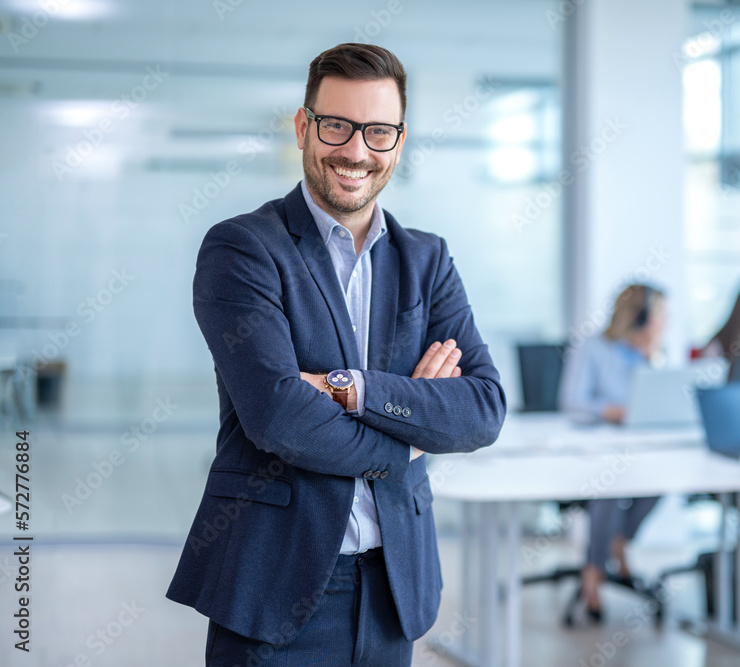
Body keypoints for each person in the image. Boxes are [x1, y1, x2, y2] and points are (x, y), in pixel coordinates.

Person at [166, 43, 506, 666]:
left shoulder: (427, 261)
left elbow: (482, 408)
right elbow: (280, 416)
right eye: (336, 126)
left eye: (377, 131)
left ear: (398, 141)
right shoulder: (244, 249)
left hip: (393, 587)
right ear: (304, 127)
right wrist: (412, 435)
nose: (355, 151)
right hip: (275, 587)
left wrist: (351, 388)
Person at [558, 283, 667, 621]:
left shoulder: (652, 353)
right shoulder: (592, 348)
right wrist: (612, 411)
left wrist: (652, 358)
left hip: (640, 449)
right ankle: (594, 573)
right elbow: (572, 403)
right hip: (594, 450)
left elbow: (664, 401)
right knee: (608, 490)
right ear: (641, 315)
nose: (665, 322)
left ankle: (616, 540)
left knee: (662, 481)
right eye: (660, 314)